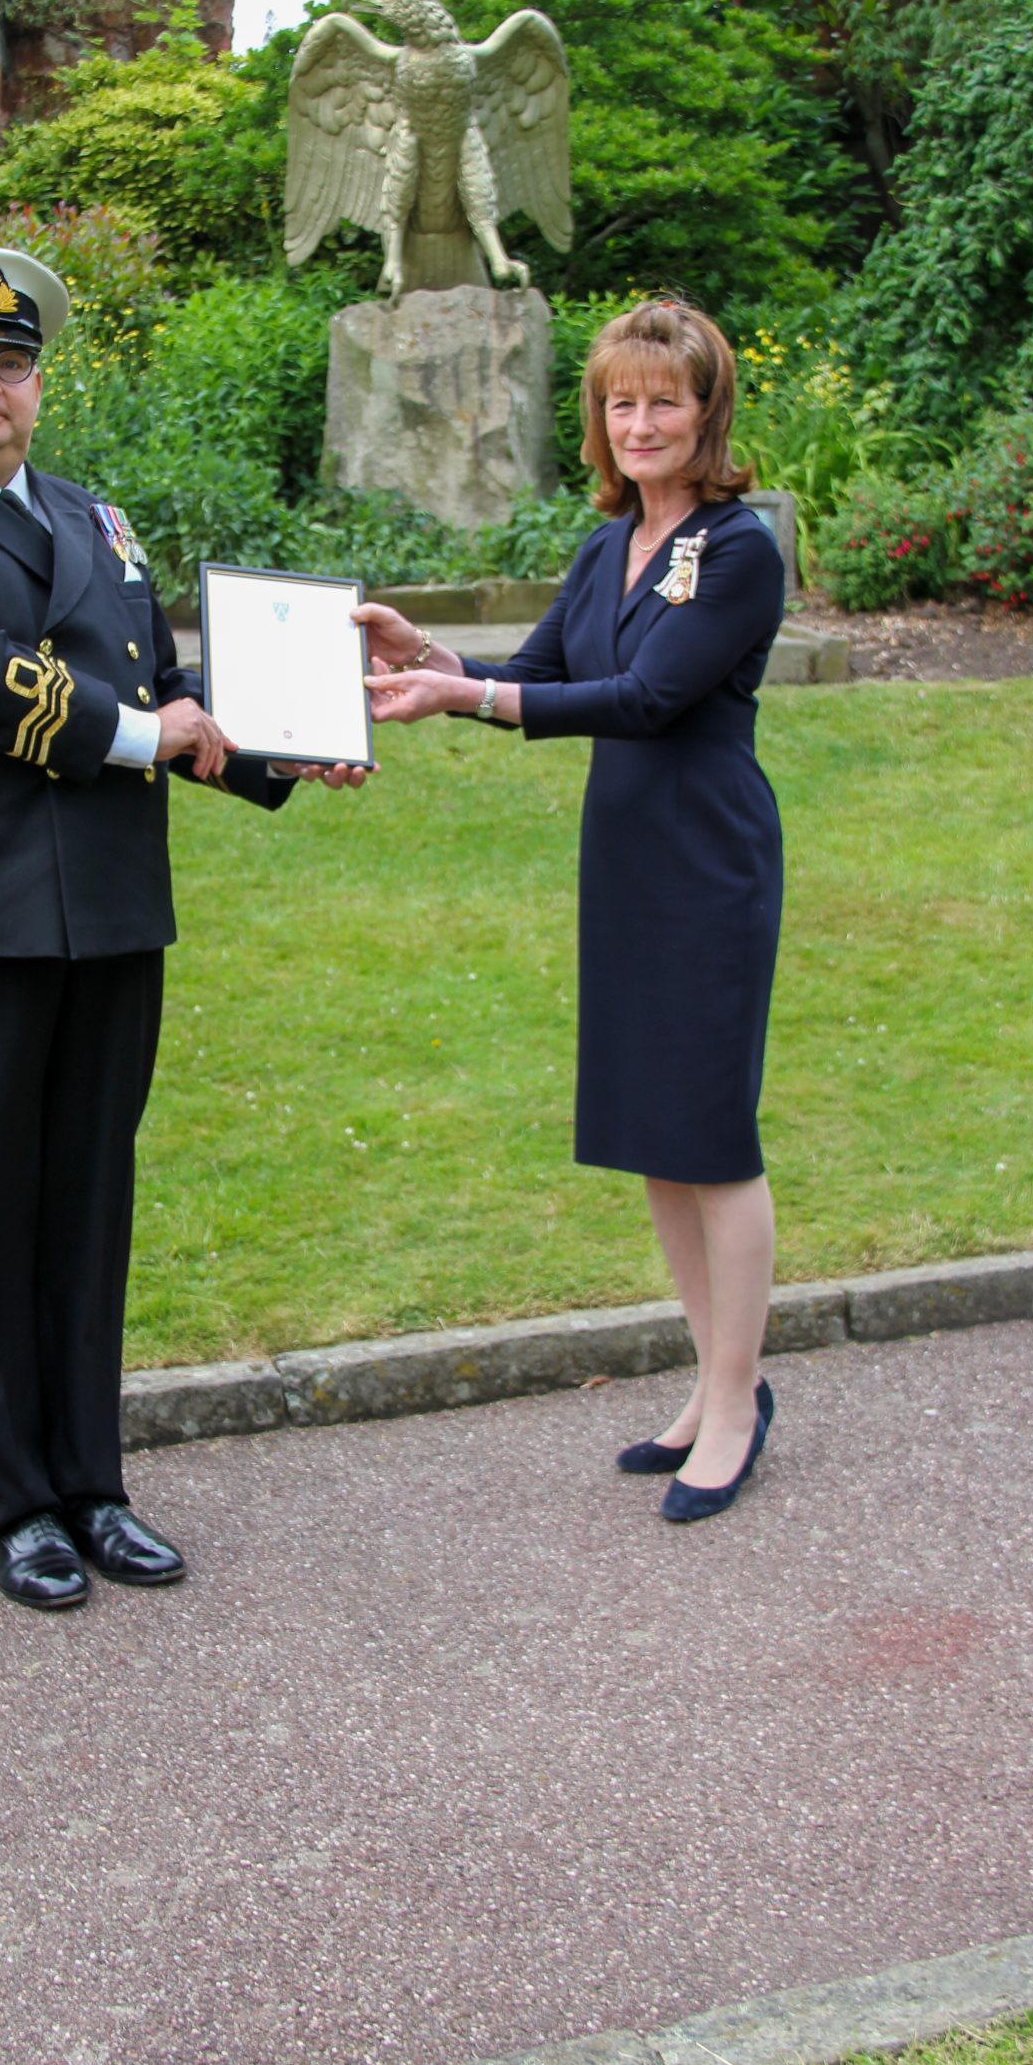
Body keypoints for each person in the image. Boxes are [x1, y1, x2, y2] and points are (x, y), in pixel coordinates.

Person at [0, 247, 365, 1609]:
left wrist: (289, 741)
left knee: (86, 1204)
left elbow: (160, 685)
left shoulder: (95, 521)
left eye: (9, 364)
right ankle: (17, 1506)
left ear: (38, 384)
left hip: (98, 912)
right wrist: (133, 731)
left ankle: (94, 1484)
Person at [358, 299, 785, 1523]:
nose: (639, 422)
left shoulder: (739, 548)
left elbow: (646, 699)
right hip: (629, 861)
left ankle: (743, 1400)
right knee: (657, 1131)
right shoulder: (608, 547)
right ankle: (710, 1383)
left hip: (708, 862)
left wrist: (458, 703)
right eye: (619, 401)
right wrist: (430, 656)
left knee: (714, 1133)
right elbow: (544, 672)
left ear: (707, 411)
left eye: (664, 399)